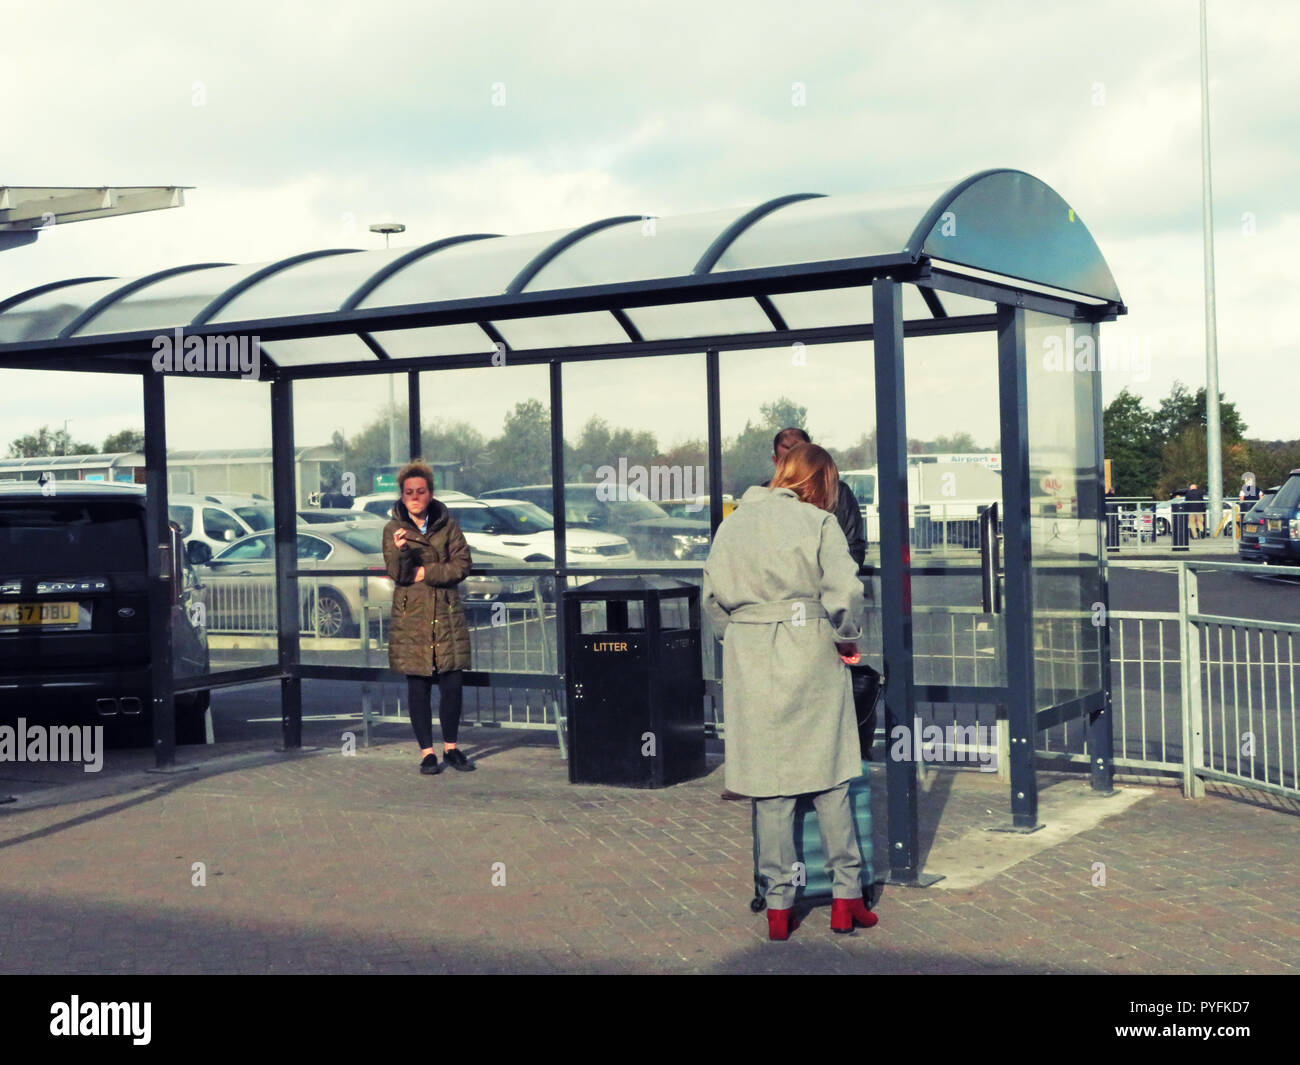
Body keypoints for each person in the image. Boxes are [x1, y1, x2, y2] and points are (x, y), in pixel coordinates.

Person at [703, 442, 878, 941]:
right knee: (832, 778)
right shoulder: (818, 524)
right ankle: (847, 899)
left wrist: (739, 637)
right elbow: (845, 593)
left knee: (770, 784)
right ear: (817, 482)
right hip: (810, 647)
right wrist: (847, 641)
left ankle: (779, 909)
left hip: (750, 653)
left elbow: (712, 598)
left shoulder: (732, 524)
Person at [382, 462, 476, 775]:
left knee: (452, 682)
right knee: (418, 684)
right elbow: (398, 574)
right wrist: (402, 553)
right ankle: (427, 753)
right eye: (409, 492)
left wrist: (428, 572)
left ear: (430, 493)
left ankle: (451, 747)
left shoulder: (449, 526)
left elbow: (462, 565)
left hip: (446, 614)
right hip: (413, 617)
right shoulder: (392, 530)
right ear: (402, 495)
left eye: (420, 491)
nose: (414, 497)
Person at [766, 427, 866, 567]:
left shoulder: (838, 492)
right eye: (787, 462)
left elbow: (854, 549)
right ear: (776, 462)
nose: (794, 469)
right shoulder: (764, 498)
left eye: (799, 460)